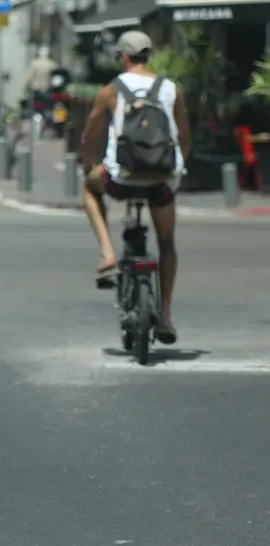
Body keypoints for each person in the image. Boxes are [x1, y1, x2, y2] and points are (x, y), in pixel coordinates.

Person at [80, 30, 190, 344]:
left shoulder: (111, 91)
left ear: (125, 57)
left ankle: (107, 254)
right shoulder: (171, 89)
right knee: (167, 243)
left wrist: (89, 165)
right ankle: (165, 317)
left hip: (120, 180)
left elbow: (90, 136)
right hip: (160, 182)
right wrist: (176, 170)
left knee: (89, 188)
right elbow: (184, 137)